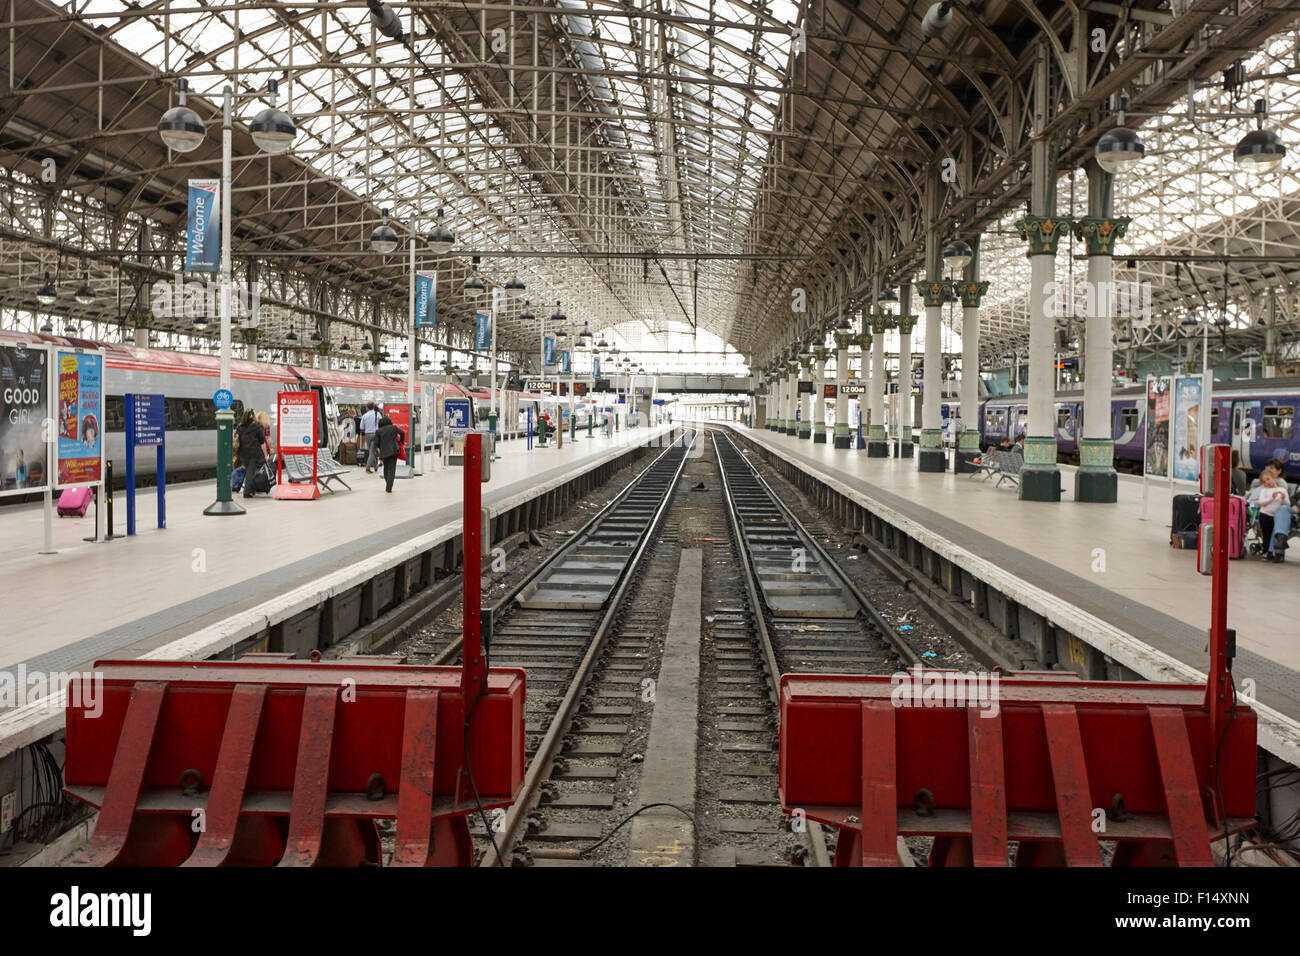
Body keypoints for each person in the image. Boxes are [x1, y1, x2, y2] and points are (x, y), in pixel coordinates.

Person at [1249, 470, 1292, 562]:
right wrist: (1271, 497)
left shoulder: (1282, 490)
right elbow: (1261, 503)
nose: (1267, 482)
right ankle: (1266, 551)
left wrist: (1284, 498)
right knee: (1266, 534)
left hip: (1277, 517)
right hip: (1265, 515)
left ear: (1274, 479)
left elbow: (1287, 504)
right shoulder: (1264, 490)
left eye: (1268, 479)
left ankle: (1273, 552)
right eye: (1264, 481)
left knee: (1275, 534)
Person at [236, 409, 267, 498]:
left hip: (242, 453)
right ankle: (247, 492)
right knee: (251, 471)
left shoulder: (240, 427)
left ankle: (251, 488)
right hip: (254, 452)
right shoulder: (257, 427)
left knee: (250, 470)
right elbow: (261, 440)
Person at [375, 414, 405, 493]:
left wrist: (380, 446)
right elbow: (402, 433)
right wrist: (401, 442)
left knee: (386, 469)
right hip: (393, 451)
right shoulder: (393, 428)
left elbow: (376, 443)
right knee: (392, 470)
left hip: (384, 452)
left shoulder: (378, 431)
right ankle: (389, 487)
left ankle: (388, 485)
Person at [360, 402, 380, 473]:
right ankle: (367, 468)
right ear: (374, 406)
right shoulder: (377, 414)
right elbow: (381, 423)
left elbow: (361, 427)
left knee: (371, 451)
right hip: (375, 434)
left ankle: (375, 466)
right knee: (372, 452)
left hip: (367, 434)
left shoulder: (364, 416)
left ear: (367, 407)